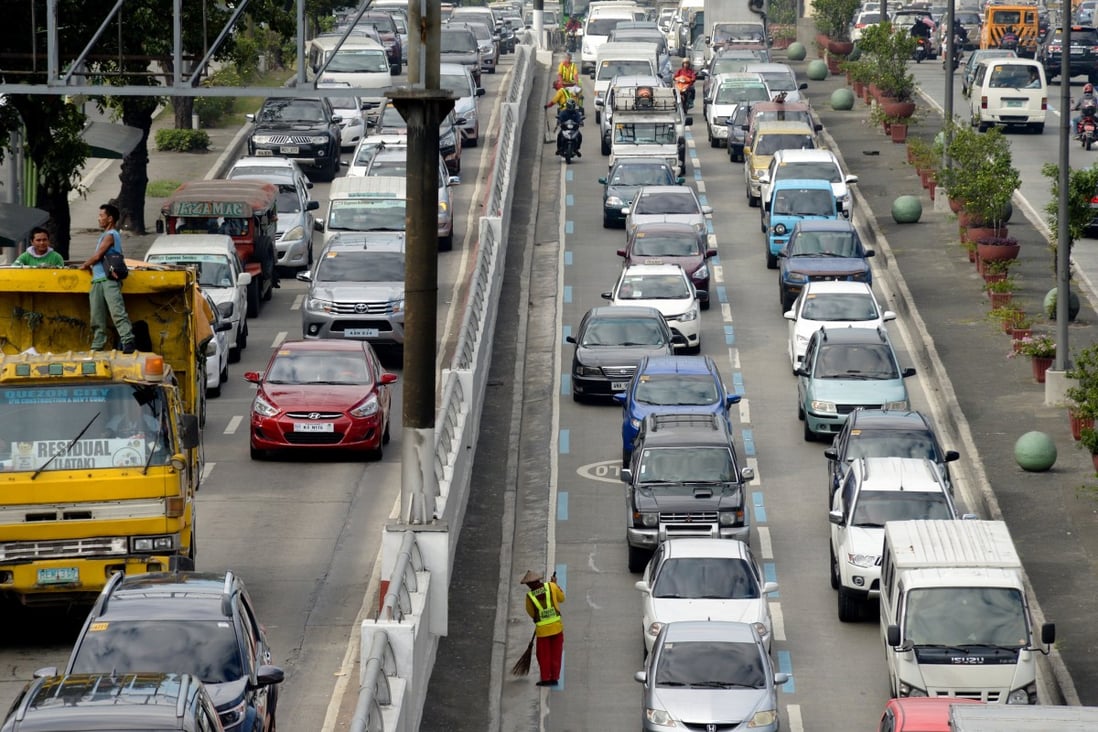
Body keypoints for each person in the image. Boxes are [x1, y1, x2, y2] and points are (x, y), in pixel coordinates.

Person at [81, 204, 136, 353]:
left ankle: (128, 341)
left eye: (101, 216)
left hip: (109, 279)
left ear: (110, 218)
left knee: (117, 311)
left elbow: (98, 255)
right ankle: (97, 345)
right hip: (98, 279)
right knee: (96, 315)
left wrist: (85, 265)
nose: (99, 219)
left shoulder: (111, 235)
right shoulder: (104, 235)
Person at [522, 569, 565, 686]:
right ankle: (554, 678)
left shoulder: (530, 596)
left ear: (529, 585)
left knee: (544, 655)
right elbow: (562, 598)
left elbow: (531, 612)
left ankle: (546, 678)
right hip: (557, 628)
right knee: (556, 654)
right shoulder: (551, 586)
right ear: (539, 580)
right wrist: (555, 584)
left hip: (542, 631)